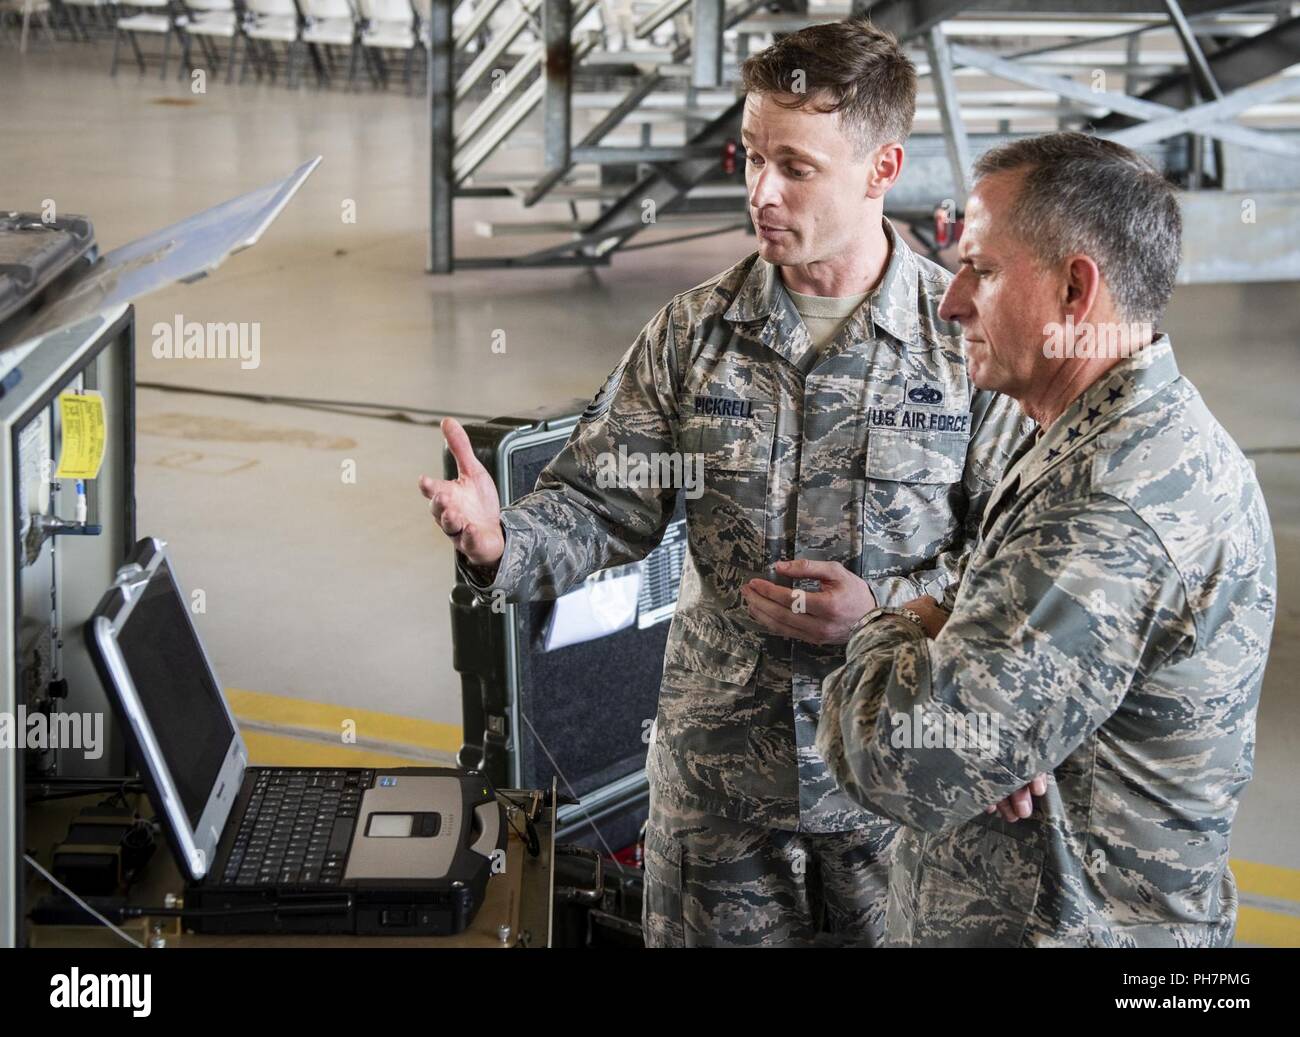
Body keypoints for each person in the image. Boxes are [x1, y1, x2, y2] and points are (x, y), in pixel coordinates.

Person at [420, 19, 1027, 946]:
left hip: (897, 795)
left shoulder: (963, 350)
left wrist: (886, 615)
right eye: (751, 156)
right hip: (719, 804)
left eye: (796, 167)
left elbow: (1015, 570)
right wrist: (504, 541)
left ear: (883, 168)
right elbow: (600, 504)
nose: (761, 191)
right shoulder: (693, 335)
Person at [816, 131, 1277, 947]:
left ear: (1074, 289)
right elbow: (984, 717)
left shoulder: (1104, 509)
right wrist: (987, 716)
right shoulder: (1116, 437)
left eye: (982, 270)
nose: (953, 301)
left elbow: (901, 760)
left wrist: (892, 622)